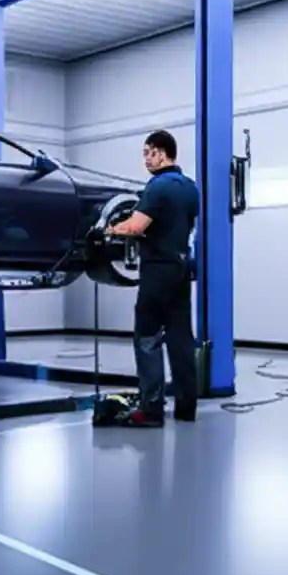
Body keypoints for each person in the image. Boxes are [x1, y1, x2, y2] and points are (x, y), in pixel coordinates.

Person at [105, 129, 200, 427]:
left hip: (157, 271)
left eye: (148, 152)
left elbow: (136, 226)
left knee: (147, 337)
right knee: (181, 338)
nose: (146, 159)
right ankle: (186, 407)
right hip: (182, 268)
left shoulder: (157, 187)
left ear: (162, 152)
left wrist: (109, 229)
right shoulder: (190, 187)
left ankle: (151, 410)